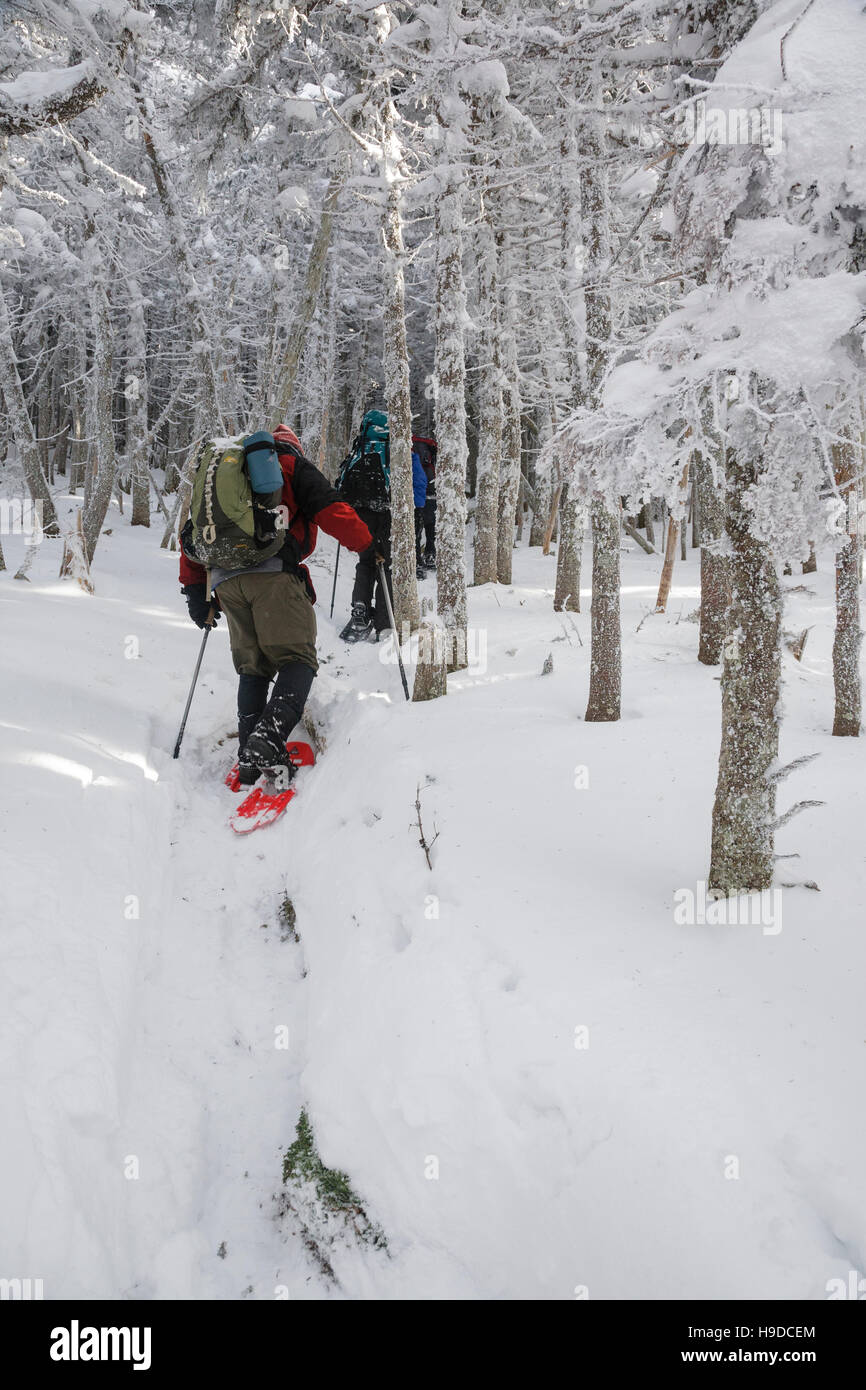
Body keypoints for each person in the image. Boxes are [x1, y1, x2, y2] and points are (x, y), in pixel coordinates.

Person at [179, 423, 371, 783]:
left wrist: (194, 591)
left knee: (254, 666)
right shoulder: (291, 465)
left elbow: (194, 531)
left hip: (225, 582)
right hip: (272, 577)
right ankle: (267, 741)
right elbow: (330, 508)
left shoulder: (226, 477)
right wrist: (365, 542)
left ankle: (249, 758)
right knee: (297, 659)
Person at [412, 434, 437, 568]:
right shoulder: (431, 447)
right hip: (431, 490)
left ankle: (416, 560)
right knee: (430, 526)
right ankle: (430, 555)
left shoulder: (411, 447)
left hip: (415, 494)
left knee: (417, 528)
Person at [412, 448, 428, 580]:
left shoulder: (413, 460)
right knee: (415, 536)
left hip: (413, 505)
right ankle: (417, 565)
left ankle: (416, 564)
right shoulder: (413, 459)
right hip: (416, 505)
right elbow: (421, 482)